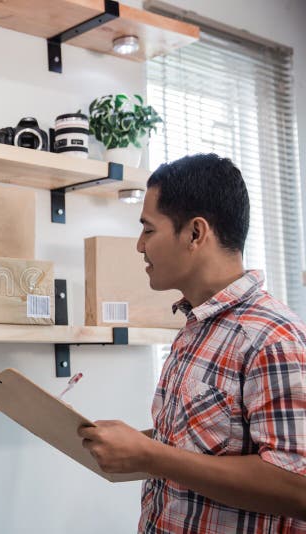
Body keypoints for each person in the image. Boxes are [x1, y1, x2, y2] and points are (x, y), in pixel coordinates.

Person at [78, 153, 306, 532]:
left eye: (148, 230)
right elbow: (208, 443)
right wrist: (137, 445)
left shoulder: (272, 337)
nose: (139, 246)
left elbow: (298, 487)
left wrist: (152, 456)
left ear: (196, 233)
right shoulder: (195, 327)